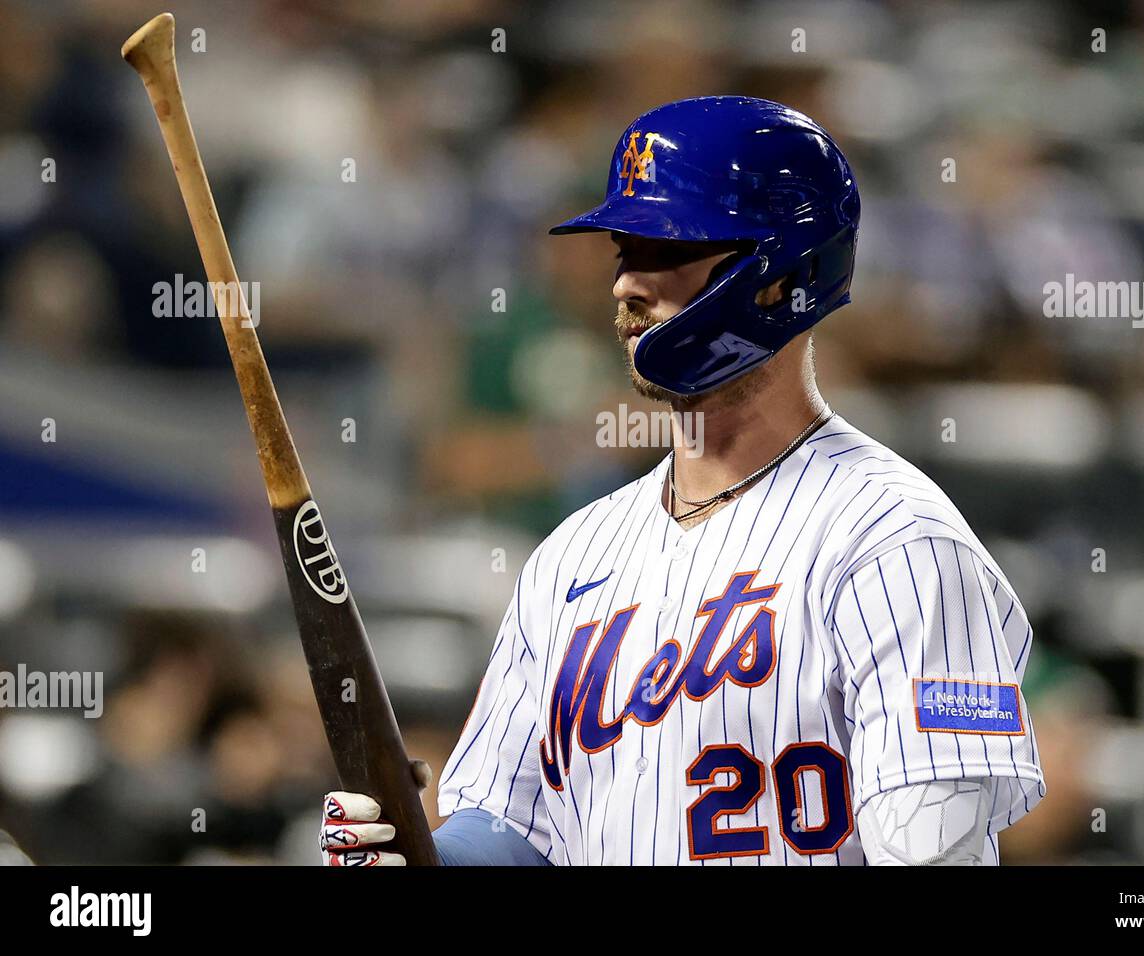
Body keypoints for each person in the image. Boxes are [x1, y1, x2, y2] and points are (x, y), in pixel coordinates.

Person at [321, 96, 1045, 866]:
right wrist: (417, 855)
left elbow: (933, 855)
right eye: (623, 252)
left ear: (779, 275)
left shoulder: (897, 543)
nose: (625, 286)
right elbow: (513, 831)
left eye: (666, 250)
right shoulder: (571, 558)